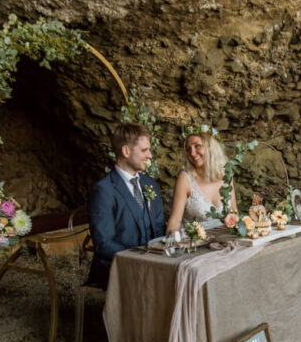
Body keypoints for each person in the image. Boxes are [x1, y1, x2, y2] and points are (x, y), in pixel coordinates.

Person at [87, 123, 166, 289]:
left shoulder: (149, 184)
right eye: (144, 150)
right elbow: (104, 243)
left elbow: (159, 228)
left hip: (154, 263)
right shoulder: (103, 190)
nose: (150, 156)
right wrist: (141, 259)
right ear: (126, 151)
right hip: (117, 267)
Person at [165, 127, 237, 234]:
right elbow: (175, 220)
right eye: (188, 149)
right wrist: (170, 242)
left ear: (210, 147)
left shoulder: (226, 176)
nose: (192, 153)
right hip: (195, 245)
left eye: (197, 146)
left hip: (225, 241)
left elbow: (234, 213)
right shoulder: (185, 179)